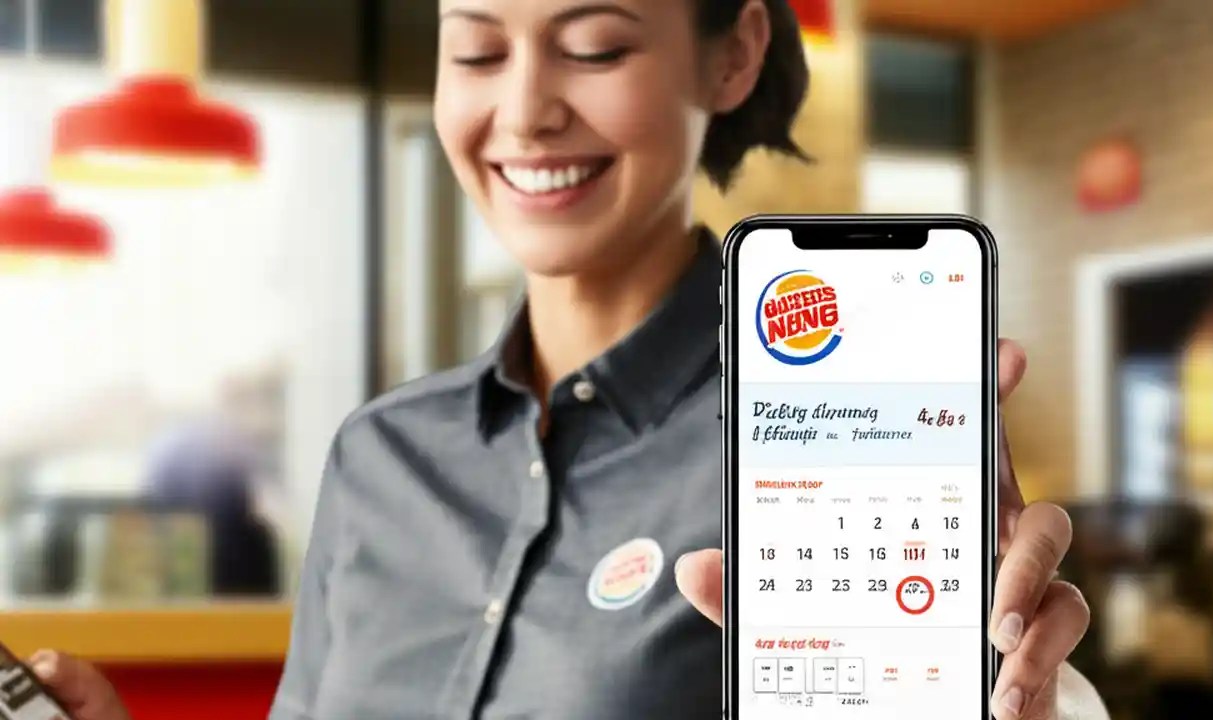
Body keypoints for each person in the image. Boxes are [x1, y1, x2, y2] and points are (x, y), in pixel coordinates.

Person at [26, 1, 1106, 718]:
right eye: (477, 51)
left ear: (730, 55)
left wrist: (1009, 683)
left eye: (594, 47)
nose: (525, 111)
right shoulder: (380, 454)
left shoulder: (820, 448)